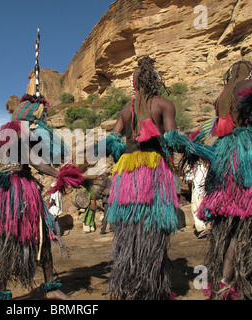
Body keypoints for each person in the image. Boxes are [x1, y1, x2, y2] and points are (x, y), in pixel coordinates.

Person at [100, 56, 213, 300]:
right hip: (153, 172)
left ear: (135, 84)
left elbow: (110, 143)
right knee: (154, 228)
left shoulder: (124, 110)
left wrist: (124, 147)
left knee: (128, 229)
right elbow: (172, 140)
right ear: (155, 81)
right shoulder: (164, 104)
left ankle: (130, 281)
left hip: (127, 174)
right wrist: (201, 150)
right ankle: (153, 287)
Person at [0, 93, 85, 300]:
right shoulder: (22, 133)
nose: (43, 122)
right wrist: (61, 174)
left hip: (4, 192)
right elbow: (36, 162)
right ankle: (50, 288)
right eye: (41, 118)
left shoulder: (6, 131)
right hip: (20, 190)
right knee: (43, 235)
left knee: (8, 240)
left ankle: (1, 291)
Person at [196, 60, 252, 300]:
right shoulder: (248, 85)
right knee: (243, 222)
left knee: (224, 224)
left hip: (223, 156)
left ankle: (221, 278)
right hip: (244, 155)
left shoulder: (222, 97)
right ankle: (230, 280)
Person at [185, 160, 208, 238]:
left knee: (196, 208)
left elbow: (189, 178)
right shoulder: (207, 165)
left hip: (198, 190)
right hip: (205, 189)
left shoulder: (194, 165)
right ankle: (207, 226)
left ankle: (202, 228)